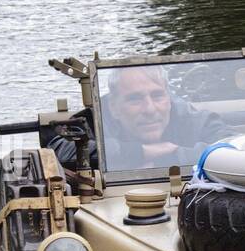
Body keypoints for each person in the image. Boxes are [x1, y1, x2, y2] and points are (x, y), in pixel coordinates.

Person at [49, 64, 230, 173]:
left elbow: (233, 148)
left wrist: (171, 157)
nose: (150, 109)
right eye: (135, 99)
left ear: (169, 98)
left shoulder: (191, 118)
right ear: (113, 106)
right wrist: (140, 152)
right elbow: (59, 151)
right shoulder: (94, 120)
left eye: (157, 95)